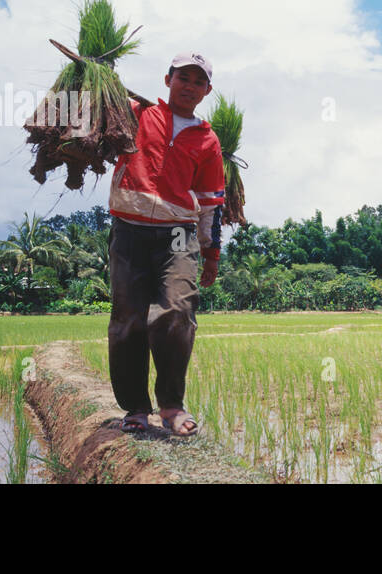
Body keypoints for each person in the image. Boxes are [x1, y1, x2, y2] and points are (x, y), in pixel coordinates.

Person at [108, 52, 225, 437]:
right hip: (129, 228)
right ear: (167, 80)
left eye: (198, 81)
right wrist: (94, 72)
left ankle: (171, 405)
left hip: (178, 232)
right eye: (183, 78)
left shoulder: (207, 140)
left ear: (206, 91)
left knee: (176, 311)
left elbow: (210, 202)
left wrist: (210, 253)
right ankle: (136, 408)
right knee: (128, 321)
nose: (189, 86)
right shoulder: (137, 114)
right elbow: (94, 108)